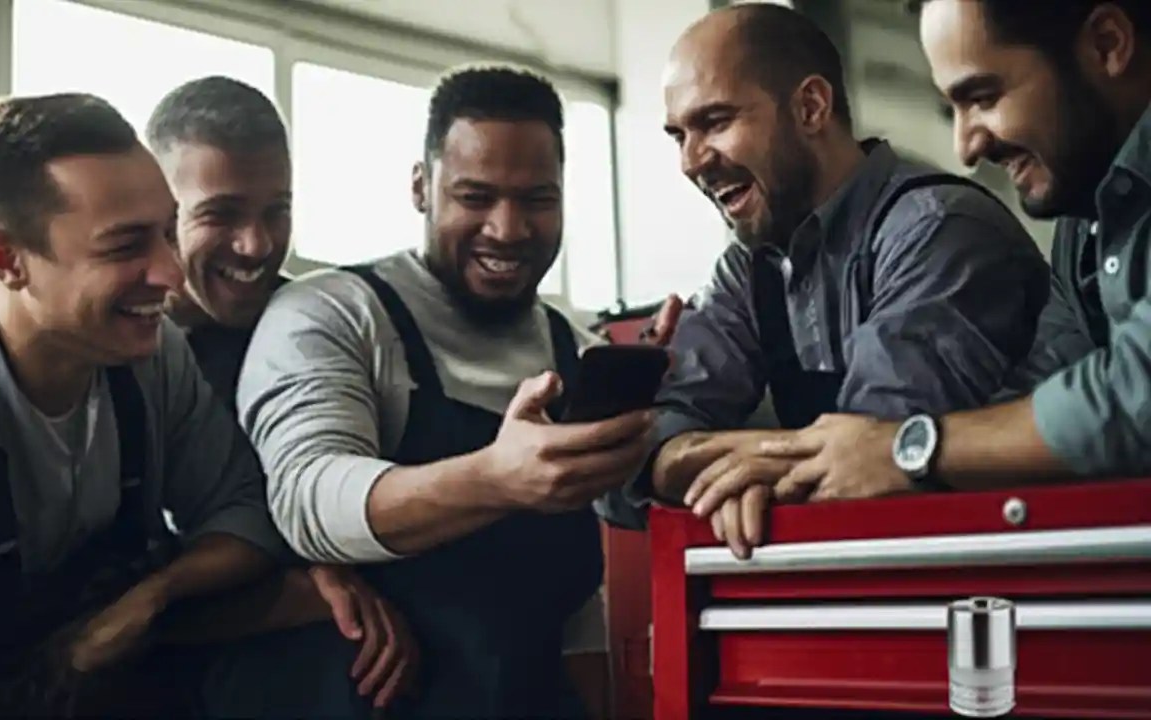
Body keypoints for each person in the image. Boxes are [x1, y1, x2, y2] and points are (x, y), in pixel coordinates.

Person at [0, 93, 378, 718]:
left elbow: (244, 509)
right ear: (6, 260)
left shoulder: (151, 357)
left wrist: (147, 600)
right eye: (125, 247)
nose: (170, 273)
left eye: (168, 232)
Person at [234, 65, 677, 719]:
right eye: (475, 197)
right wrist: (495, 479)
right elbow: (309, 500)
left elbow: (581, 604)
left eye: (536, 199)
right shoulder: (330, 315)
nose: (508, 228)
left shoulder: (577, 352)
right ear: (422, 186)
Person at [597, 2, 1050, 559]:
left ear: (811, 107)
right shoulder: (751, 267)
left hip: (997, 591)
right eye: (678, 136)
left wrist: (722, 464)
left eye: (715, 122)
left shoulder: (937, 231)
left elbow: (867, 463)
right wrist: (724, 467)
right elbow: (618, 466)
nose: (692, 161)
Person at [750, 0, 1151, 502]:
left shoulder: (941, 223)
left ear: (1107, 44)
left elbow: (1138, 391)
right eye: (951, 109)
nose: (964, 149)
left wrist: (911, 449)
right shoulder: (1084, 227)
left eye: (983, 96)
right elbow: (1042, 389)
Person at [145, 74, 417, 710]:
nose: (256, 244)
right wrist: (295, 587)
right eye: (221, 214)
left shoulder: (317, 329)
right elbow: (104, 610)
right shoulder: (116, 354)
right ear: (163, 210)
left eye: (277, 211)